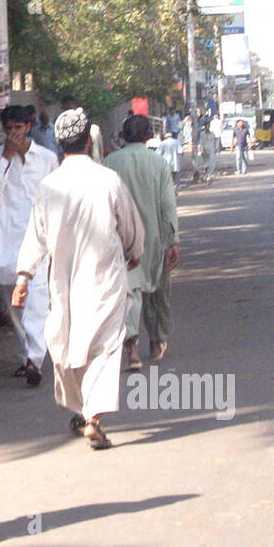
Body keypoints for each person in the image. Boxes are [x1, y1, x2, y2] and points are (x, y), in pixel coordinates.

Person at [12, 107, 144, 451]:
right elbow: (131, 227)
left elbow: (35, 235)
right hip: (105, 281)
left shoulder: (49, 186)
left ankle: (84, 411)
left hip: (64, 284)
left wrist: (23, 277)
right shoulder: (108, 180)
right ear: (88, 141)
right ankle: (92, 416)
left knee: (67, 345)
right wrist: (135, 252)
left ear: (59, 143)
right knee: (104, 347)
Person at [0, 105, 58, 386]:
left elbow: (57, 198)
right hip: (8, 241)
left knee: (38, 298)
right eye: (8, 129)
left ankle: (35, 359)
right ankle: (26, 355)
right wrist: (7, 156)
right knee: (15, 303)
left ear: (28, 127)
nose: (13, 134)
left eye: (18, 129)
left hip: (39, 239)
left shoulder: (46, 158)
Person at [104, 115, 179, 371]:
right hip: (155, 237)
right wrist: (173, 240)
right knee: (158, 290)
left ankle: (132, 350)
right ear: (149, 136)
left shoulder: (110, 163)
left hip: (121, 240)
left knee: (129, 292)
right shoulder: (159, 163)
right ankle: (157, 341)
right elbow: (168, 205)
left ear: (123, 136)